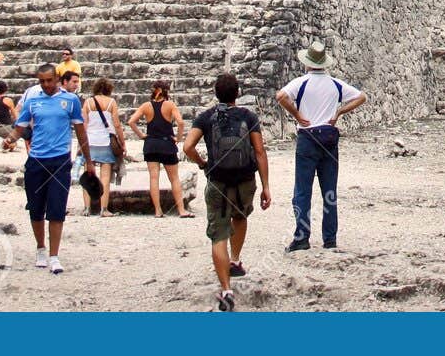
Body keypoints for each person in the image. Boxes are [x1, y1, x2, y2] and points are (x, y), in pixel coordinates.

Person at [181, 73, 270, 311]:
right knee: (240, 216)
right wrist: (266, 186)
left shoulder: (206, 117)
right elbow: (260, 152)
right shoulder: (248, 116)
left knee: (218, 233)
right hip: (244, 180)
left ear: (215, 93)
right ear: (237, 93)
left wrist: (203, 163)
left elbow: (187, 146)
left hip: (217, 181)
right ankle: (235, 259)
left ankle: (226, 289)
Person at [1, 63, 93, 274]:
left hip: (60, 161)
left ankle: (54, 255)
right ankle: (41, 247)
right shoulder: (32, 101)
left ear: (58, 80)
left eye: (49, 80)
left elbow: (80, 132)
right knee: (36, 209)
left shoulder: (70, 101)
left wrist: (88, 160)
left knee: (57, 209)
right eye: (41, 81)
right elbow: (20, 127)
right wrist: (10, 139)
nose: (45, 85)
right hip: (36, 160)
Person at [276, 39, 366, 252]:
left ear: (307, 62)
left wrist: (297, 115)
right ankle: (330, 238)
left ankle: (302, 236)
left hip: (308, 137)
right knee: (329, 190)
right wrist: (339, 112)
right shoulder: (335, 84)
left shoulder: (301, 83)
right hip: (328, 136)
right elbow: (361, 97)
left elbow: (281, 96)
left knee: (302, 190)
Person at [128, 80, 193, 218]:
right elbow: (180, 122)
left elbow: (131, 121)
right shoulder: (170, 105)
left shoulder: (146, 106)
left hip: (151, 143)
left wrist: (141, 135)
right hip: (167, 144)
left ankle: (158, 210)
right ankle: (181, 210)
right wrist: (178, 138)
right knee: (174, 178)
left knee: (153, 178)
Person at [81, 78, 125, 217]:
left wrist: (80, 143)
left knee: (88, 176)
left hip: (89, 140)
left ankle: (87, 208)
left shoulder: (88, 102)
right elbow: (117, 124)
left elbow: (84, 124)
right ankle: (103, 209)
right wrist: (122, 141)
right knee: (105, 176)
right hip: (105, 140)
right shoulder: (111, 102)